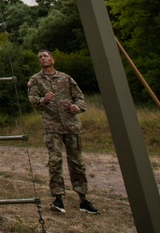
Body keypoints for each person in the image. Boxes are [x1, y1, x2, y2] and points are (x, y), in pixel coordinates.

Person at [28, 50, 100, 215]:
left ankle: (83, 199)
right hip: (52, 126)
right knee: (55, 161)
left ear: (52, 59)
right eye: (40, 57)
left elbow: (80, 97)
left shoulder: (66, 78)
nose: (43, 58)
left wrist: (78, 107)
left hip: (71, 125)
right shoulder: (36, 80)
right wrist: (43, 100)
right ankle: (58, 198)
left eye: (45, 56)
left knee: (77, 162)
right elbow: (32, 100)